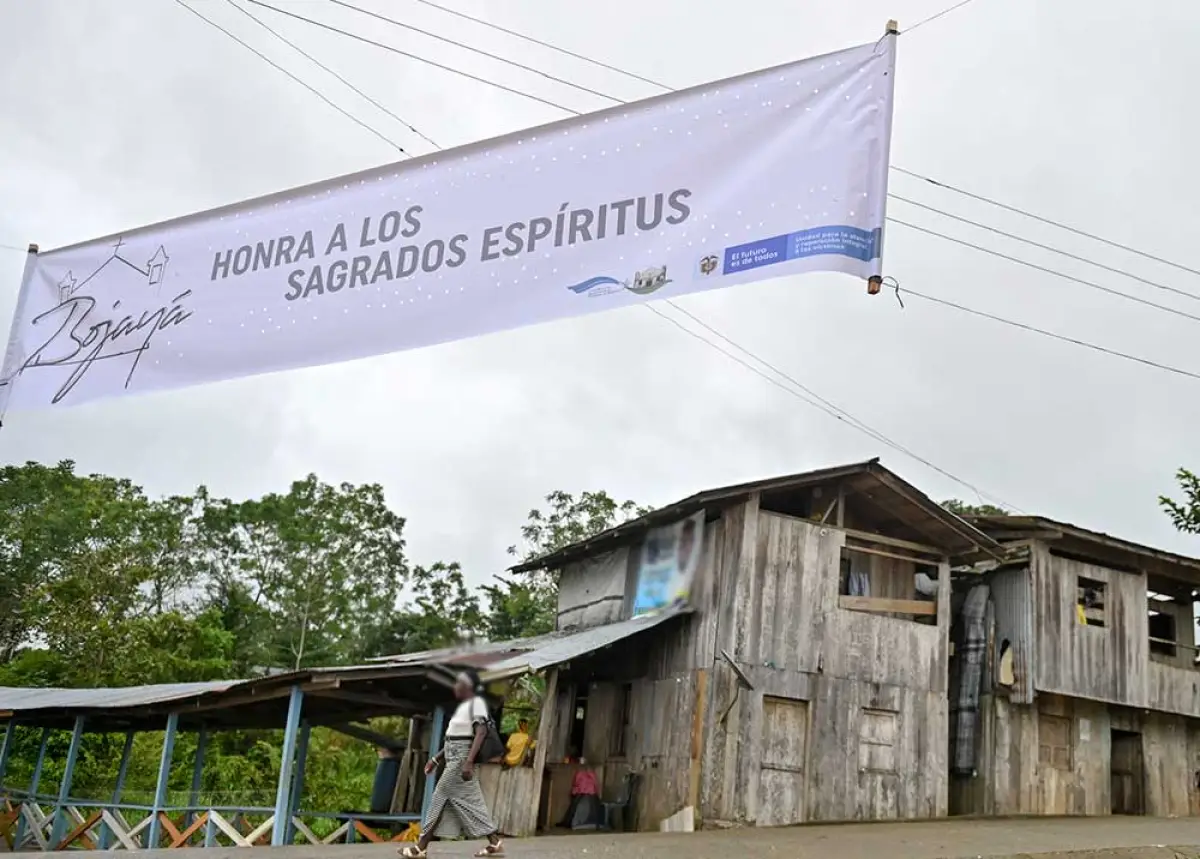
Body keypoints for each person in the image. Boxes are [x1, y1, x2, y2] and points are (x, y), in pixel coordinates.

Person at [400, 671, 504, 858]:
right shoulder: (463, 708)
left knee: (439, 797)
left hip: (461, 760)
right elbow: (453, 738)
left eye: (459, 683)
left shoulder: (476, 704)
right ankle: (495, 843)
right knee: (472, 803)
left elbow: (480, 732)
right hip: (454, 756)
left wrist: (468, 762)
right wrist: (436, 758)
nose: (455, 686)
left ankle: (421, 847)